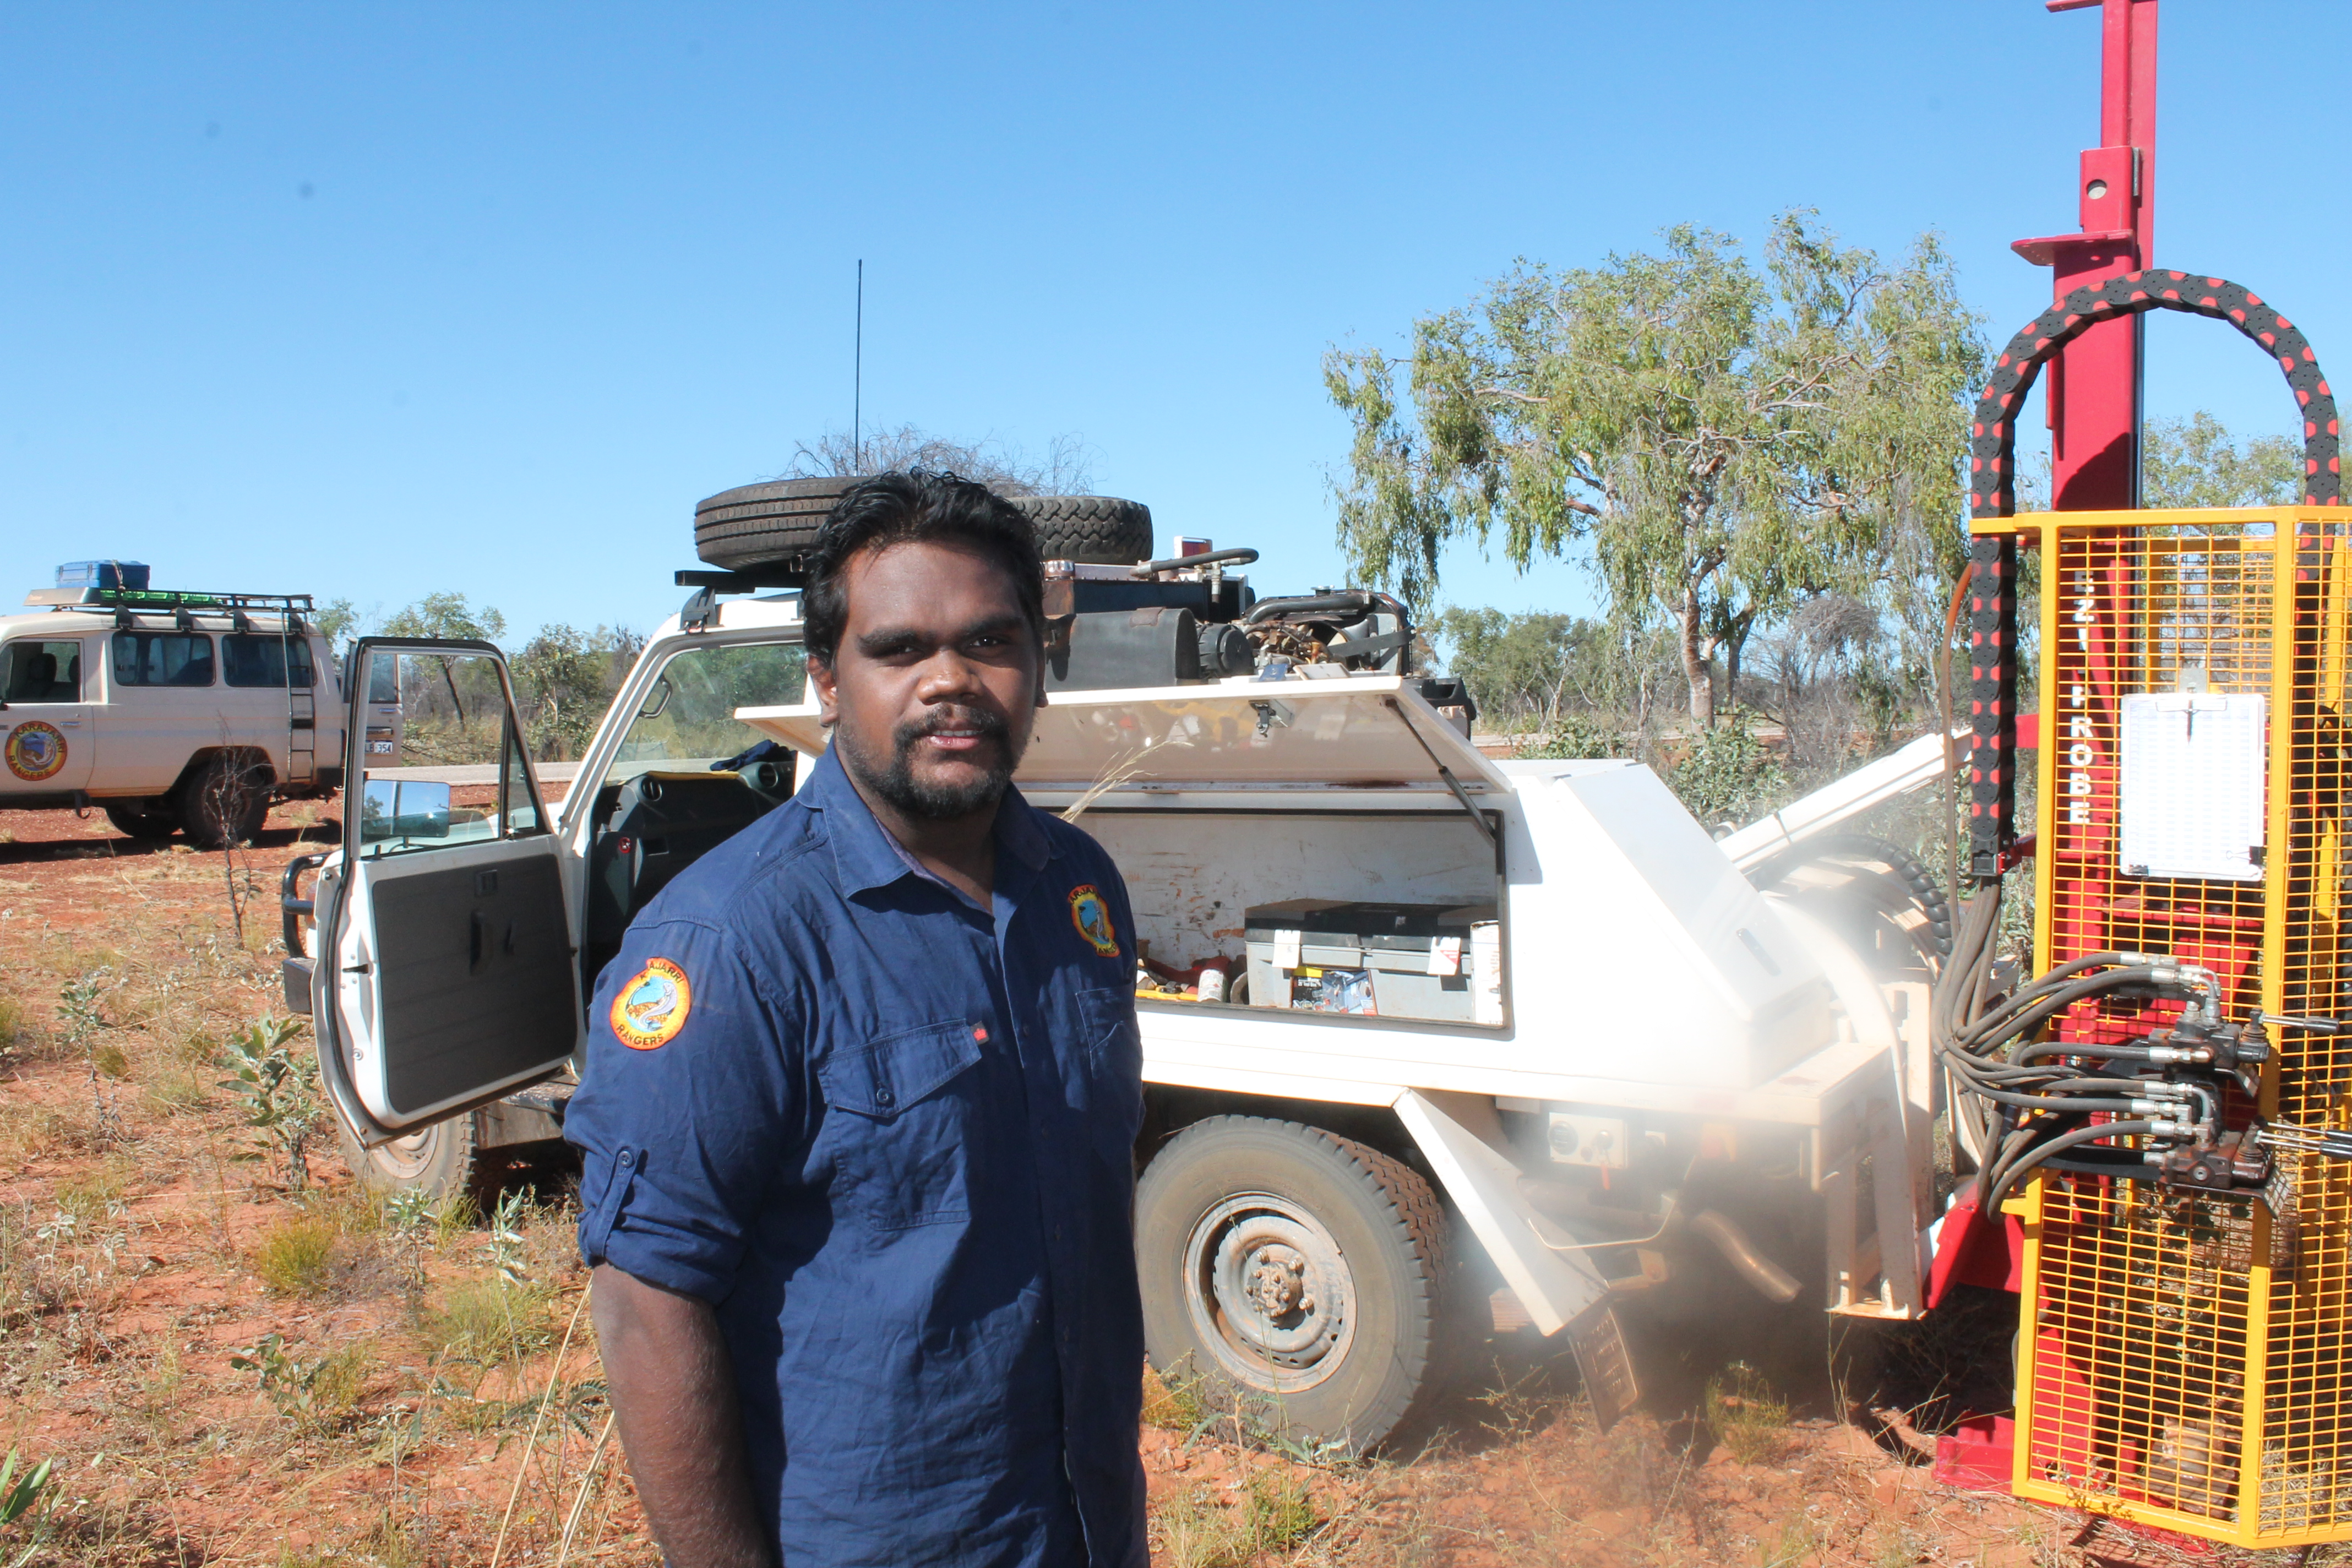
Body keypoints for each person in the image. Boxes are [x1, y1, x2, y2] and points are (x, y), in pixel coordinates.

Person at [566, 471, 1148, 1568]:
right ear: (826, 680)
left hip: (1083, 1523)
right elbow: (648, 1302)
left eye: (990, 640)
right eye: (899, 649)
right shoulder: (733, 940)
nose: (952, 681)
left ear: (1039, 665)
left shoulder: (1082, 888)